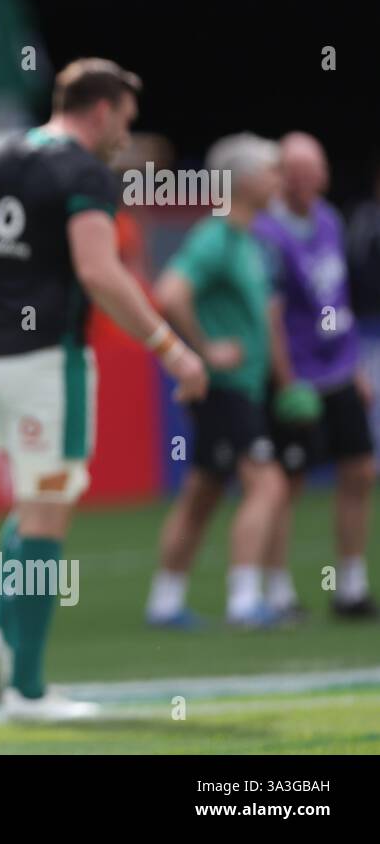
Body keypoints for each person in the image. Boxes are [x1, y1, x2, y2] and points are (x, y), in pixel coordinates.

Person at [0, 58, 207, 720]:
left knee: (35, 499)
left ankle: (0, 631)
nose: (124, 136)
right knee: (50, 511)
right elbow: (100, 273)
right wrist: (172, 349)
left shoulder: (0, 161)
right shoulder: (84, 172)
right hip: (48, 359)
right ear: (103, 109)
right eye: (126, 120)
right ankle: (28, 690)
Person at [146, 133, 288, 629]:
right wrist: (206, 349)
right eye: (271, 170)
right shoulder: (217, 236)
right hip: (225, 387)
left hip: (238, 387)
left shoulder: (247, 238)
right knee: (266, 484)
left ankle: (165, 602)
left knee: (204, 492)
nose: (278, 179)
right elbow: (170, 291)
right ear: (244, 179)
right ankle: (245, 599)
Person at [252, 132, 375, 620]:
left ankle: (351, 586)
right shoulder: (267, 233)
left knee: (360, 471)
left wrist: (357, 367)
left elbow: (337, 299)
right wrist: (285, 382)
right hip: (297, 373)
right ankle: (278, 591)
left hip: (340, 368)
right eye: (296, 174)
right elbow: (272, 314)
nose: (307, 183)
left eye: (313, 173)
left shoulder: (329, 219)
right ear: (281, 176)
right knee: (289, 482)